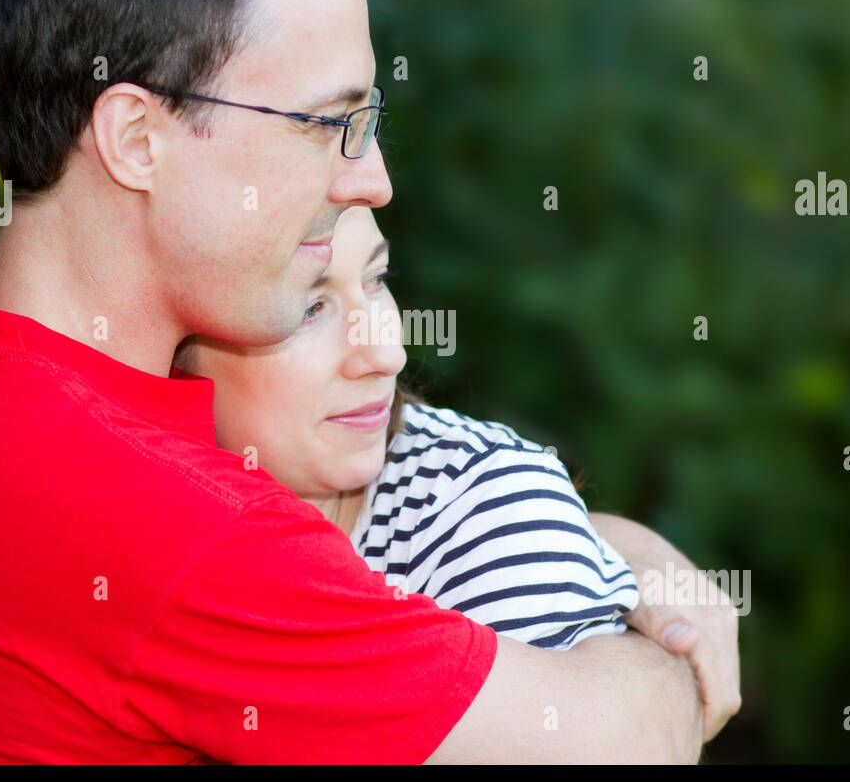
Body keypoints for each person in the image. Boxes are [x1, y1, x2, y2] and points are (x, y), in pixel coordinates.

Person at [0, 0, 737, 764]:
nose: (371, 179)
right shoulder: (171, 533)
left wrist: (618, 545)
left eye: (368, 121)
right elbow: (621, 745)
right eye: (327, 123)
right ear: (136, 137)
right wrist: (673, 632)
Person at [176, 206, 643, 650]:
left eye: (377, 279)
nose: (386, 355)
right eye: (308, 308)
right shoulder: (133, 538)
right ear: (175, 344)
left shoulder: (484, 512)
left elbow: (598, 729)